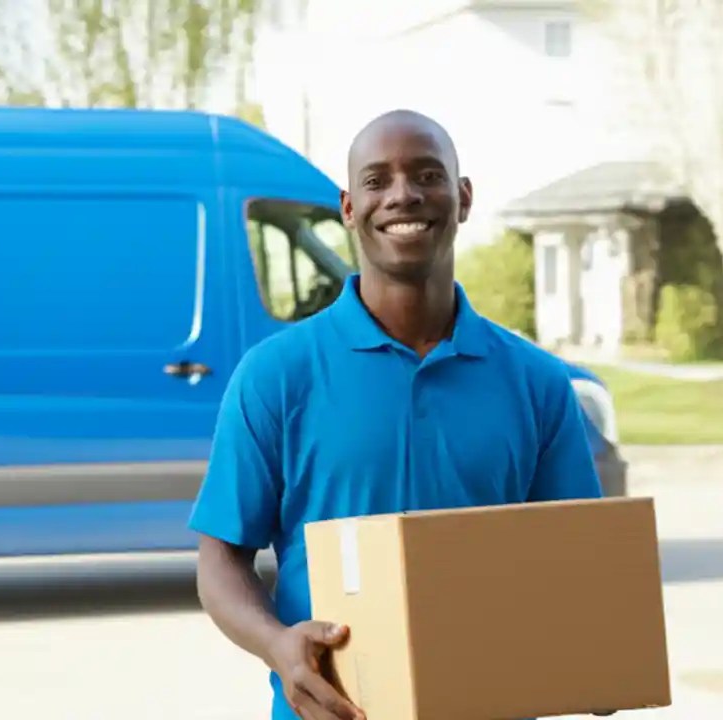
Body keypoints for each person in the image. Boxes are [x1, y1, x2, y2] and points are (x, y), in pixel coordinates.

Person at [188, 109, 605, 720]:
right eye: (377, 180)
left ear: (462, 198)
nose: (404, 195)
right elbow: (221, 562)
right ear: (350, 208)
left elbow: (580, 564)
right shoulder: (277, 376)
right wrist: (278, 645)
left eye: (428, 175)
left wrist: (597, 653)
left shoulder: (537, 382)